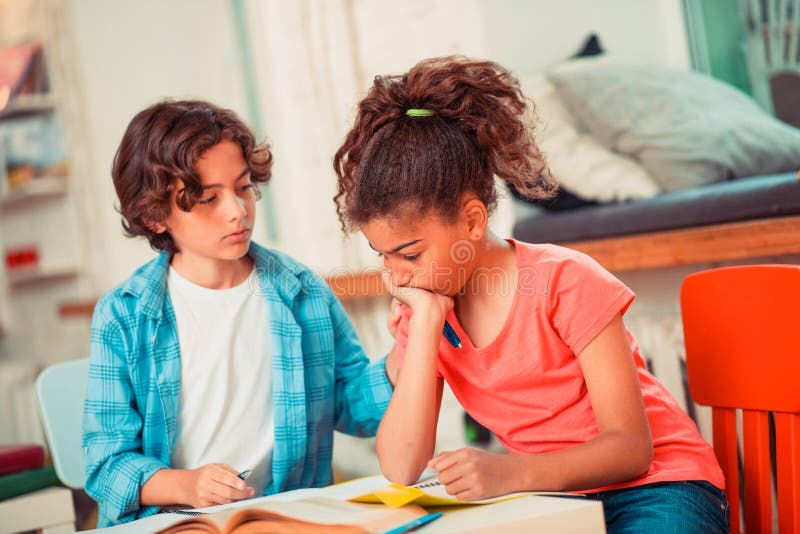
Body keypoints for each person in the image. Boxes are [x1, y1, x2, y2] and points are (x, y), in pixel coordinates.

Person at [332, 56, 729, 533]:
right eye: (383, 255)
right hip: (552, 496)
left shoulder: (565, 281)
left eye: (410, 254)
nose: (395, 275)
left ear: (473, 221)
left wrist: (513, 472)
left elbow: (631, 449)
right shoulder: (423, 313)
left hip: (657, 485)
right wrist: (426, 328)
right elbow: (401, 466)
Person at [83, 100, 393, 526]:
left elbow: (355, 407)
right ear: (155, 215)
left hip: (283, 517)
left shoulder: (302, 293)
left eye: (244, 187)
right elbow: (106, 467)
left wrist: (407, 354)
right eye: (209, 198)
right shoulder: (124, 315)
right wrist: (188, 485)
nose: (237, 210)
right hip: (173, 520)